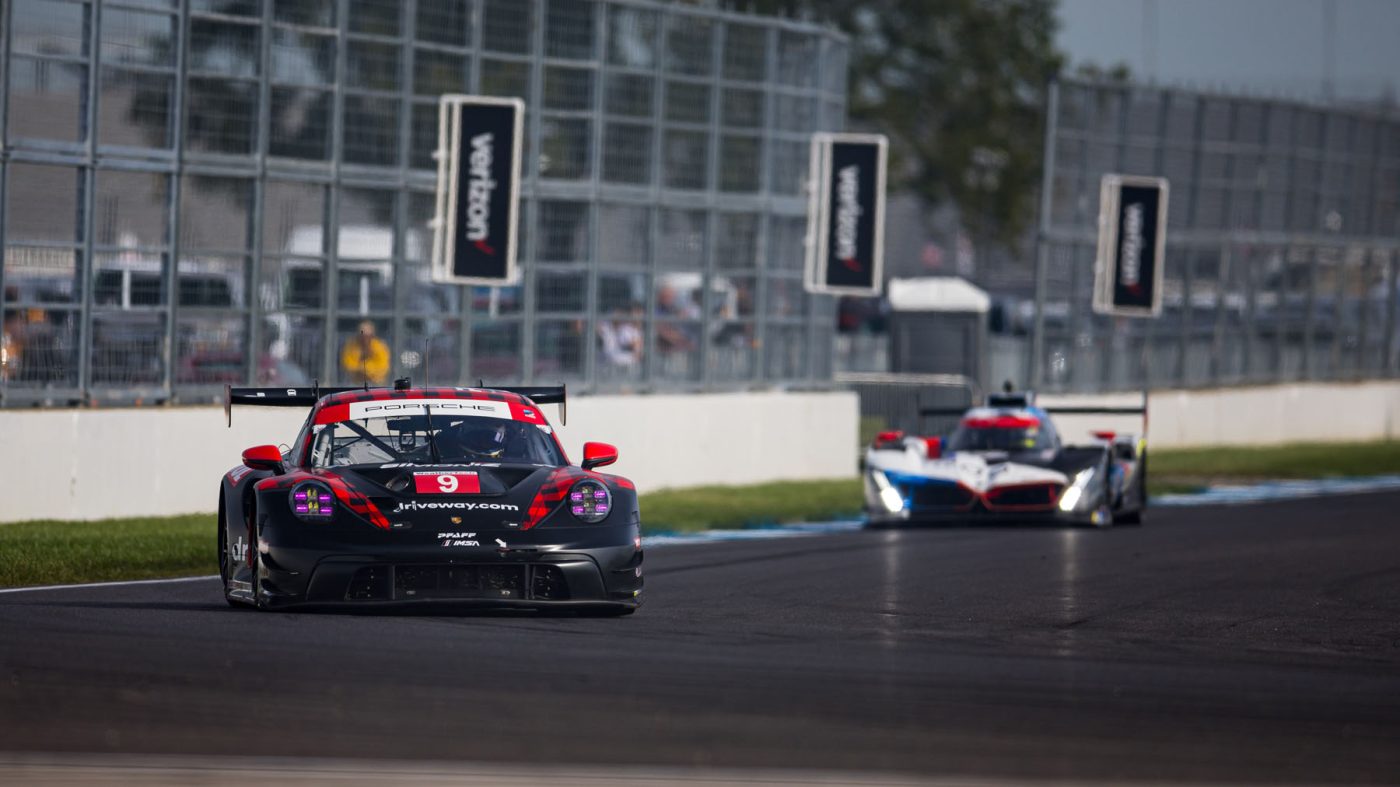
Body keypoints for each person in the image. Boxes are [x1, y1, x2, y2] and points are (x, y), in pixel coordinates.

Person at [340, 320, 390, 385]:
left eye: (368, 336)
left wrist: (368, 370)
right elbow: (347, 365)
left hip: (376, 384)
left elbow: (383, 367)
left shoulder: (379, 347)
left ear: (372, 336)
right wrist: (360, 370)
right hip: (354, 383)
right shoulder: (351, 346)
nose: (365, 339)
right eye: (362, 336)